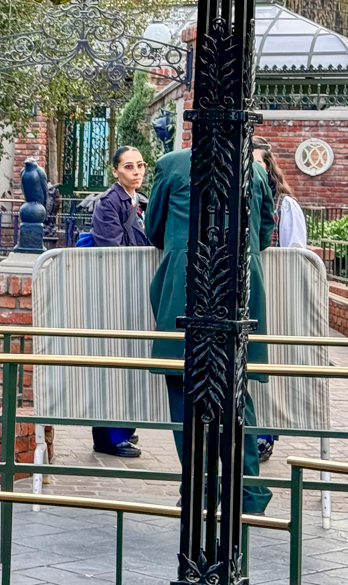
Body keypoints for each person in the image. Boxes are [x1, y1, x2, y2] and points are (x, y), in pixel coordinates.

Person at [144, 147, 275, 515]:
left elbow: (153, 229)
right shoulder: (253, 167)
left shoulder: (171, 165)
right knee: (237, 392)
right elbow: (265, 232)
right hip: (241, 289)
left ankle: (200, 488)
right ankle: (247, 491)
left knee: (184, 389)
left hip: (184, 286)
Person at [89, 146, 151, 458]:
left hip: (136, 289)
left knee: (131, 364)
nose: (136, 172)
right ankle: (108, 437)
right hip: (114, 291)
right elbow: (110, 250)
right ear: (115, 171)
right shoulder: (108, 203)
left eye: (140, 165)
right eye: (128, 166)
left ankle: (124, 428)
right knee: (112, 363)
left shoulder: (142, 201)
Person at [251, 137, 307, 462]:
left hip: (275, 296)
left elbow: (295, 255)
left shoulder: (285, 206)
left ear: (268, 167)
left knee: (269, 365)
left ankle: (265, 434)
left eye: (257, 163)